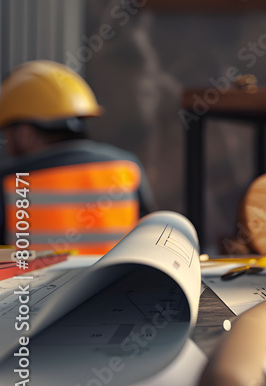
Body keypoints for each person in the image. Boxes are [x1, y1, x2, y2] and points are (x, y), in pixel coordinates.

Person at [0, 60, 155, 254]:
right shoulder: (127, 167)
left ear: (25, 133)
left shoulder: (8, 180)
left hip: (33, 285)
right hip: (118, 283)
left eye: (6, 132)